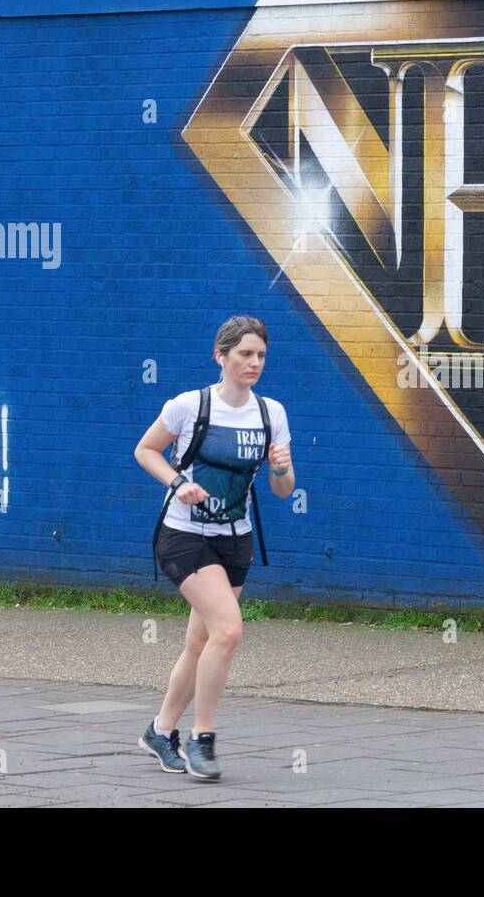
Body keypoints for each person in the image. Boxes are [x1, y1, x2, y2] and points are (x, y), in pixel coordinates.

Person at [132, 315, 293, 779]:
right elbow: (145, 450)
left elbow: (284, 489)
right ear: (220, 357)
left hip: (235, 539)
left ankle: (160, 731)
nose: (254, 363)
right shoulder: (190, 405)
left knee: (200, 641)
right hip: (183, 536)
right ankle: (203, 741)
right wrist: (178, 481)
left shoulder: (271, 414)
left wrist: (281, 468)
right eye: (244, 354)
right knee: (228, 631)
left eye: (260, 355)